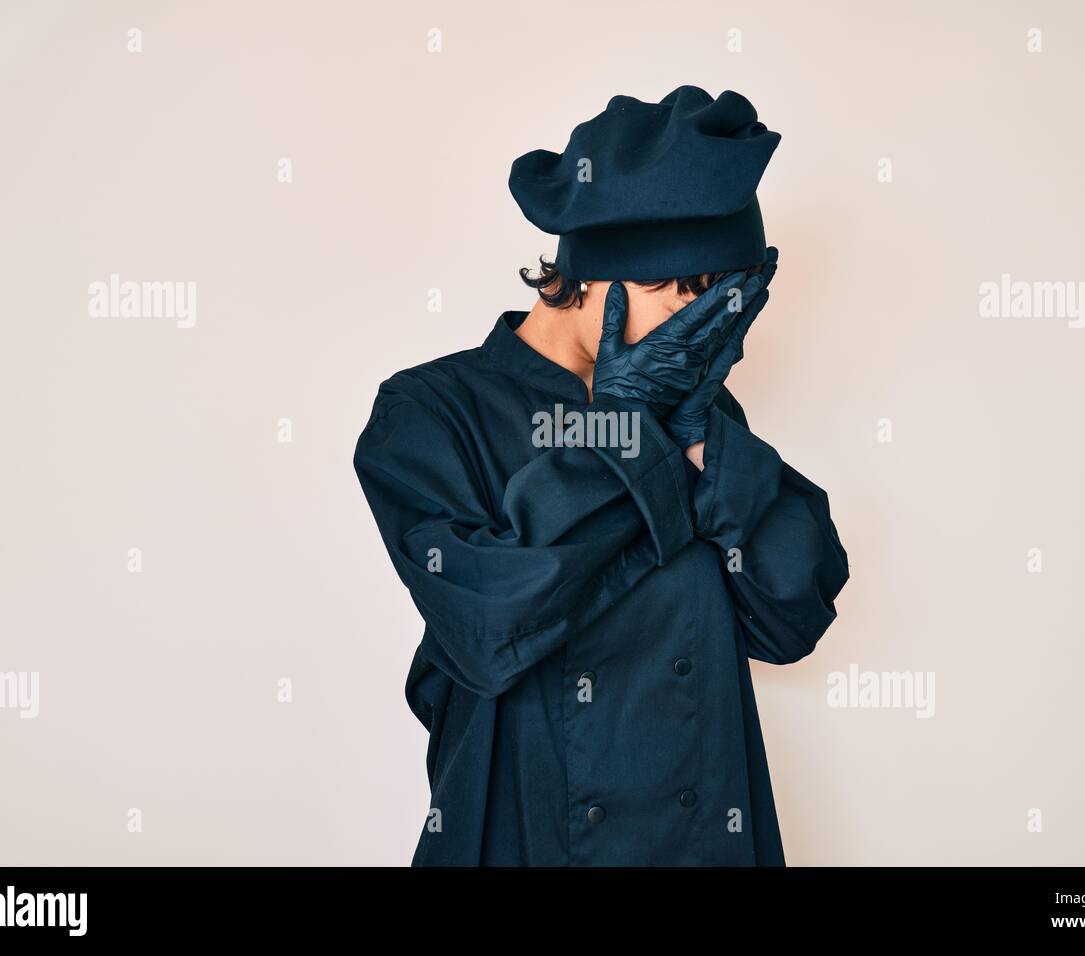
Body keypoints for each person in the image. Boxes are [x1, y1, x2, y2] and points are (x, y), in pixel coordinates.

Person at [353, 86, 848, 865]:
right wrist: (628, 438)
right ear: (594, 277)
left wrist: (694, 441)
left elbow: (792, 617)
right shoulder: (430, 410)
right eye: (678, 292)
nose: (697, 326)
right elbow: (489, 627)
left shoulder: (703, 417)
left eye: (718, 299)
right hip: (526, 835)